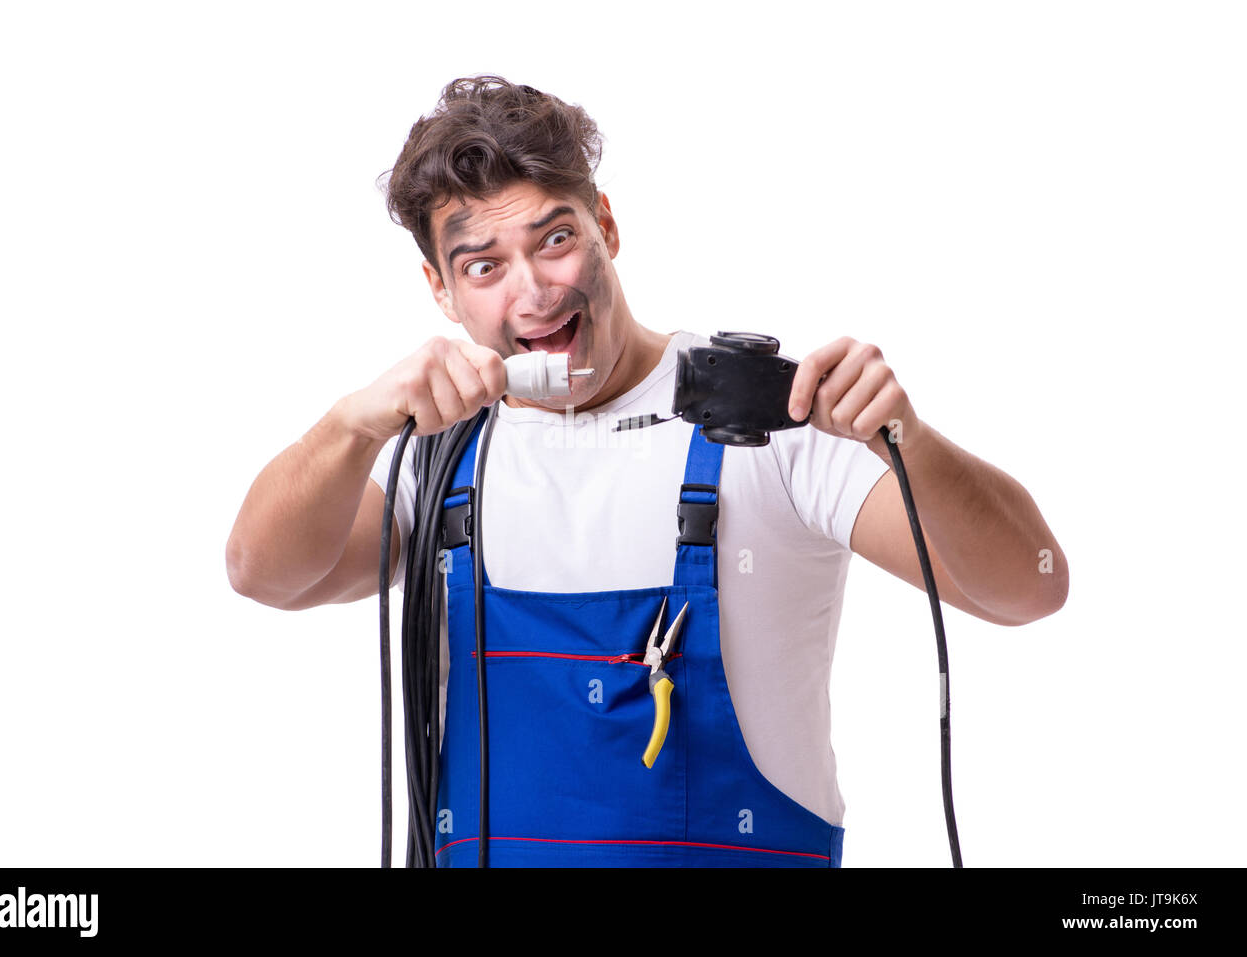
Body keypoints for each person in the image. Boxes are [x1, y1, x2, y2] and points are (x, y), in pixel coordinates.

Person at [225, 75, 1069, 867]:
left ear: (607, 226)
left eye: (555, 239)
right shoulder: (443, 458)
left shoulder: (768, 420)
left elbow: (1029, 585)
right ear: (443, 292)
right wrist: (351, 424)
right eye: (484, 265)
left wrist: (910, 440)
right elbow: (262, 572)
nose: (535, 292)